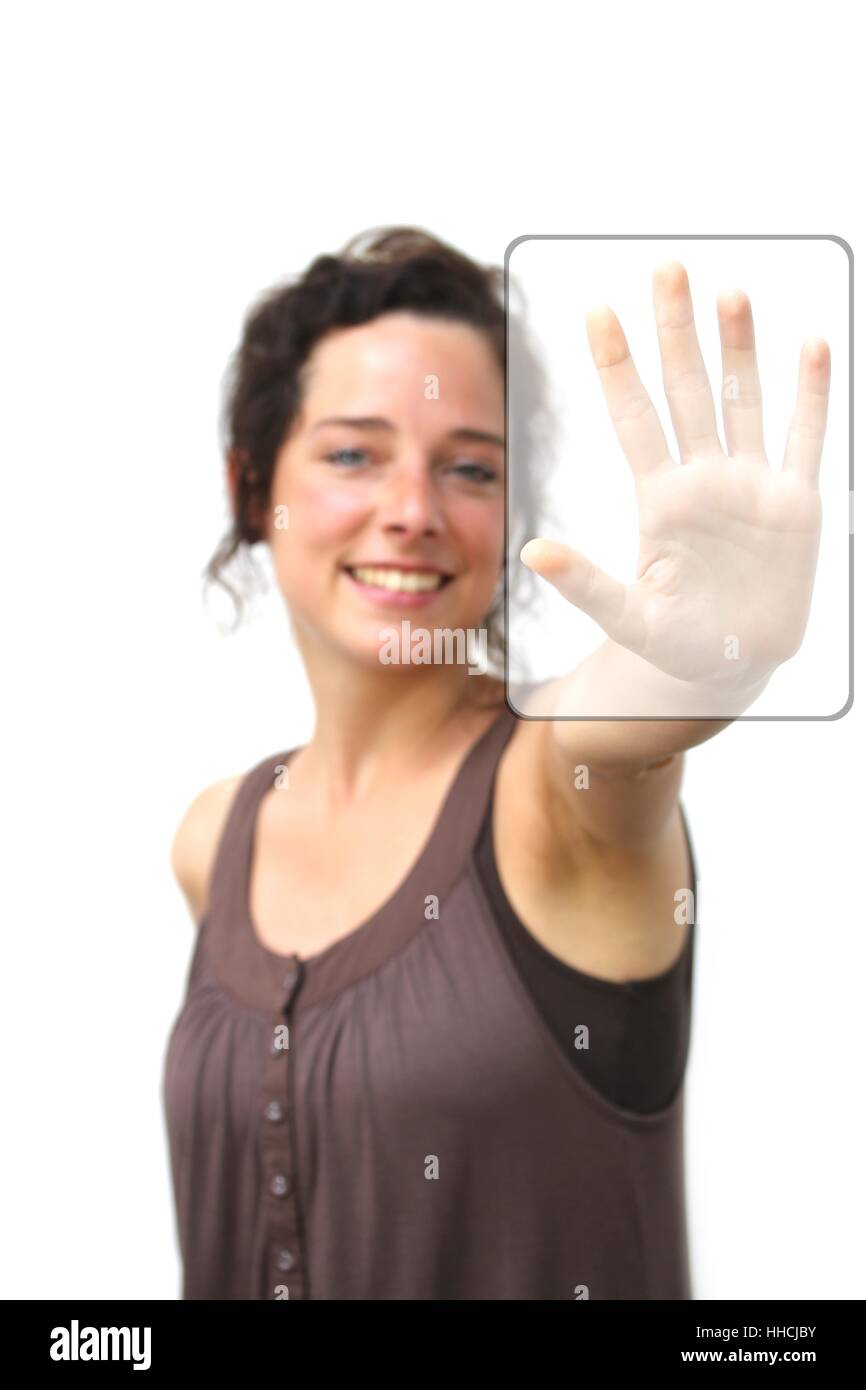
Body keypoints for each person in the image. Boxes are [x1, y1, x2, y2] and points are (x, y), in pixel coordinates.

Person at [162, 226, 829, 1300]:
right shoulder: (215, 838)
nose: (413, 510)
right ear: (253, 488)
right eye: (351, 453)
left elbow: (614, 737)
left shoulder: (547, 795)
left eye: (469, 466)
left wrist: (707, 662)